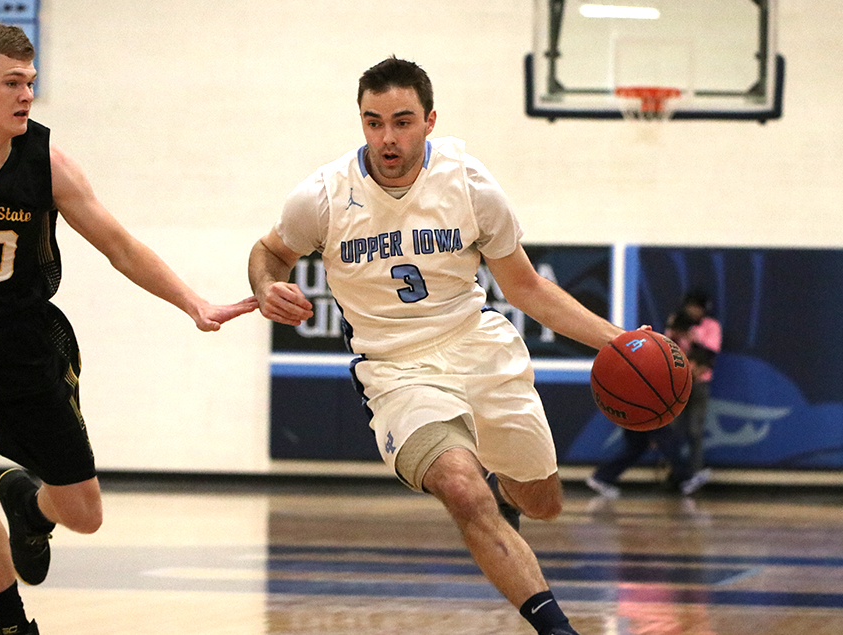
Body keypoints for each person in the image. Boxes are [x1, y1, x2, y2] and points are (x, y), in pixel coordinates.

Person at [0, 21, 256, 635]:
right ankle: (12, 624)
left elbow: (118, 244)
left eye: (31, 82)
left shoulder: (45, 159)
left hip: (23, 339)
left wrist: (191, 301)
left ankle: (30, 506)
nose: (26, 95)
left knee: (84, 515)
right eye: (13, 83)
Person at [249, 56, 626, 635]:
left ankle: (502, 500)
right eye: (373, 122)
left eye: (401, 121)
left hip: (478, 352)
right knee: (459, 485)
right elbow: (268, 251)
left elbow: (525, 288)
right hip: (397, 371)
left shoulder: (470, 185)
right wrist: (268, 285)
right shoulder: (324, 194)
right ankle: (557, 628)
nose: (387, 137)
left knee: (543, 502)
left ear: (429, 120)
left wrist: (617, 341)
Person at [586, 289, 722, 498]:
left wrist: (692, 343)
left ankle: (603, 477)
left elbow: (707, 355)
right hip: (657, 394)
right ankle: (684, 478)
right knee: (664, 437)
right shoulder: (664, 345)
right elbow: (668, 353)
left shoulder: (709, 327)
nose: (693, 311)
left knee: (645, 444)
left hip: (680, 387)